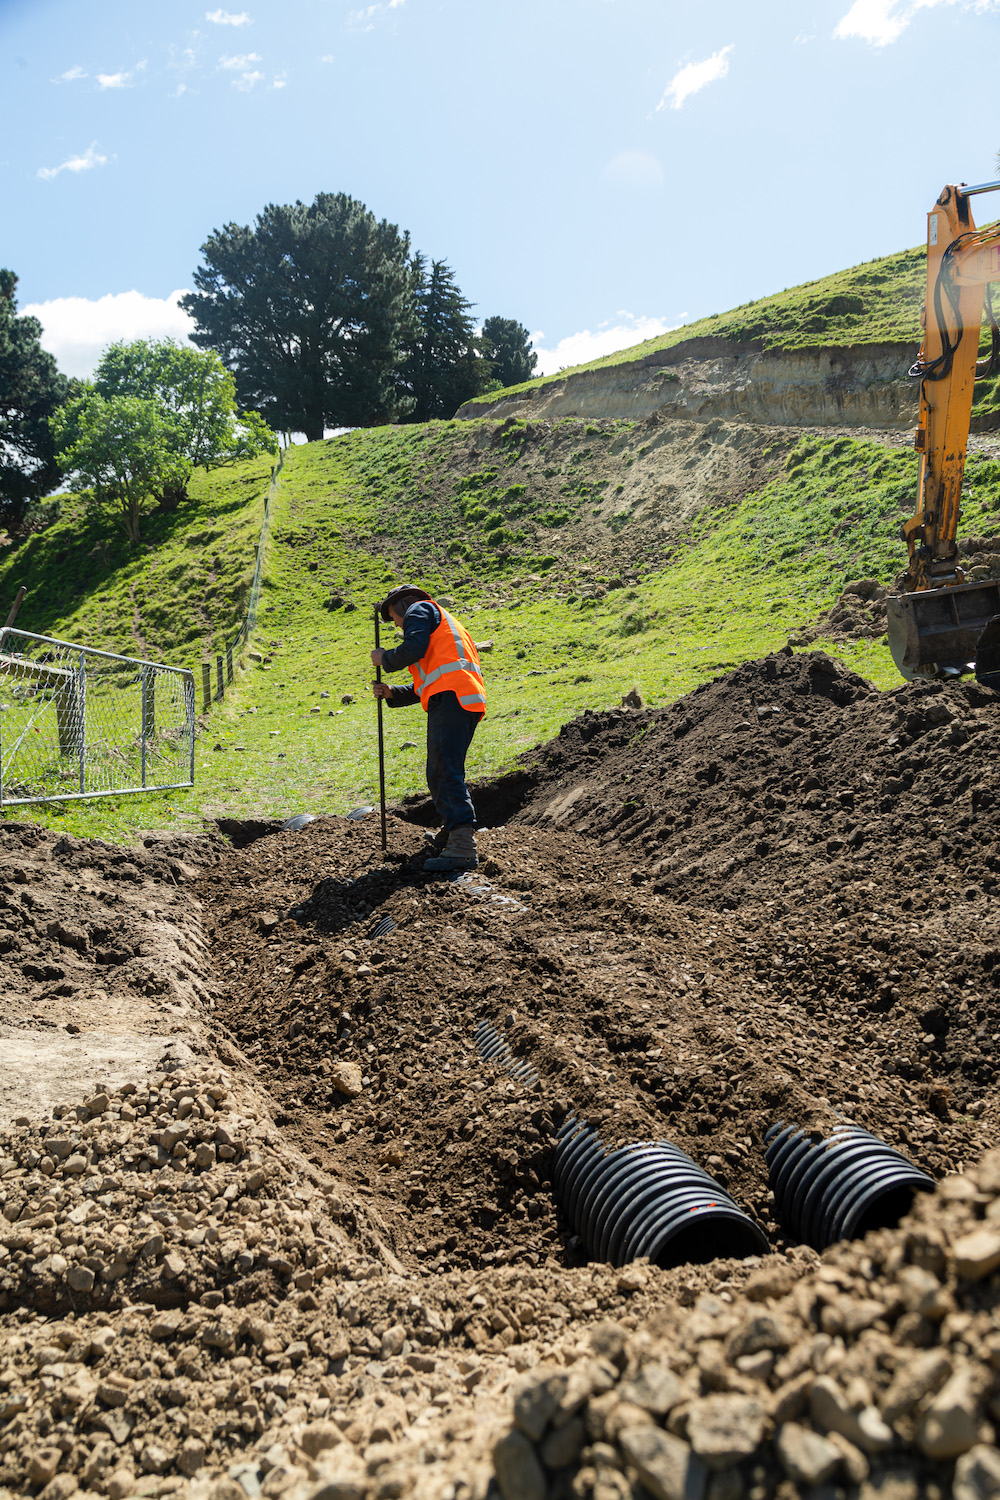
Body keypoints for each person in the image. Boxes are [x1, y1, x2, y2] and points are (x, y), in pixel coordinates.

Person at [371, 584, 486, 872]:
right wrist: (393, 692)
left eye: (393, 617)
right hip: (460, 696)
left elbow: (414, 648)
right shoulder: (442, 624)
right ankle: (452, 831)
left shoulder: (419, 609)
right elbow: (428, 681)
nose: (397, 625)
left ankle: (462, 846)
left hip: (452, 697)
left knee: (445, 769)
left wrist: (385, 658)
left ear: (401, 605)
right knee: (439, 769)